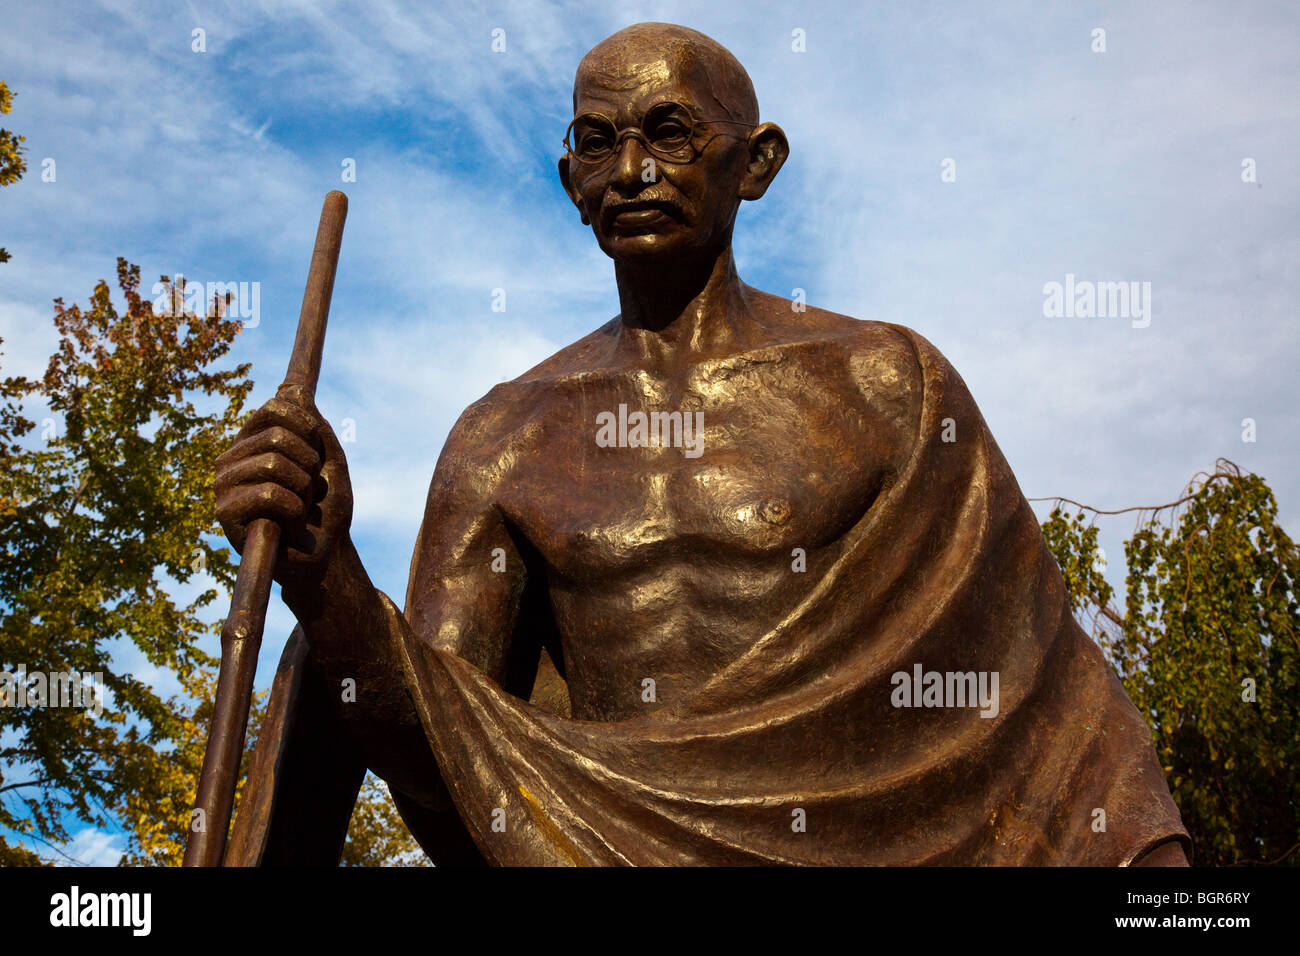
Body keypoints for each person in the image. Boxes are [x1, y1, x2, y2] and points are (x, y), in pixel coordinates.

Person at [215, 22, 1190, 866]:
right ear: (569, 180)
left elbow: (1053, 694)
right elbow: (442, 741)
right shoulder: (506, 437)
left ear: (754, 161)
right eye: (597, 145)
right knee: (312, 655)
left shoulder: (886, 384)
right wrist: (324, 568)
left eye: (669, 132)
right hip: (590, 841)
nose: (630, 173)